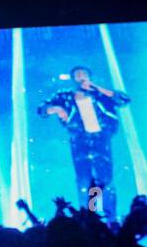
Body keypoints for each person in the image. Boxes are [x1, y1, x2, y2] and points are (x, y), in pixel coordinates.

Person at [38, 66, 132, 219]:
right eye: (77, 75)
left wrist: (96, 88)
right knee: (84, 179)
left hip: (101, 138)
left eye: (84, 74)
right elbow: (42, 109)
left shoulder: (100, 94)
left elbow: (124, 100)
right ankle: (91, 215)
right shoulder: (65, 95)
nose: (81, 76)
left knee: (105, 178)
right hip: (79, 139)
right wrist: (55, 108)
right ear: (73, 78)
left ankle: (110, 218)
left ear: (90, 76)